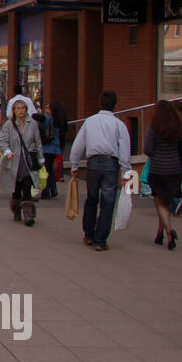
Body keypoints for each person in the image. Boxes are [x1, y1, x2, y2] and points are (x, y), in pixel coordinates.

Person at [69, 90, 132, 252]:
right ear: (115, 105)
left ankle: (88, 234)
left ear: (99, 103)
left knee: (91, 198)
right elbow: (125, 149)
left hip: (93, 163)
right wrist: (126, 172)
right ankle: (100, 239)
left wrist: (74, 165)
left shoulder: (89, 121)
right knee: (108, 201)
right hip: (111, 163)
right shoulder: (119, 124)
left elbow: (78, 145)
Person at [144, 100, 182, 250]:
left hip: (158, 169)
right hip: (174, 170)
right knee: (166, 203)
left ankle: (169, 231)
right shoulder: (179, 128)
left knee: (159, 202)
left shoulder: (153, 129)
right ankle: (159, 234)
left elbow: (148, 150)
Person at [0, 99, 43, 226]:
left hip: (28, 160)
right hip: (14, 161)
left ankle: (28, 214)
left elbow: (38, 142)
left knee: (27, 185)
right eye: (18, 109)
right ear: (13, 111)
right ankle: (17, 210)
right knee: (16, 187)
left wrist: (41, 158)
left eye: (23, 108)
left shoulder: (33, 124)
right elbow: (3, 141)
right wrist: (7, 151)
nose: (20, 111)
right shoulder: (9, 125)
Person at [42, 99, 68, 199]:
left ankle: (46, 191)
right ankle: (53, 189)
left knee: (46, 170)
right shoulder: (60, 120)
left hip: (47, 147)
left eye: (47, 108)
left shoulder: (48, 119)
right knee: (50, 169)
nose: (45, 110)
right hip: (56, 148)